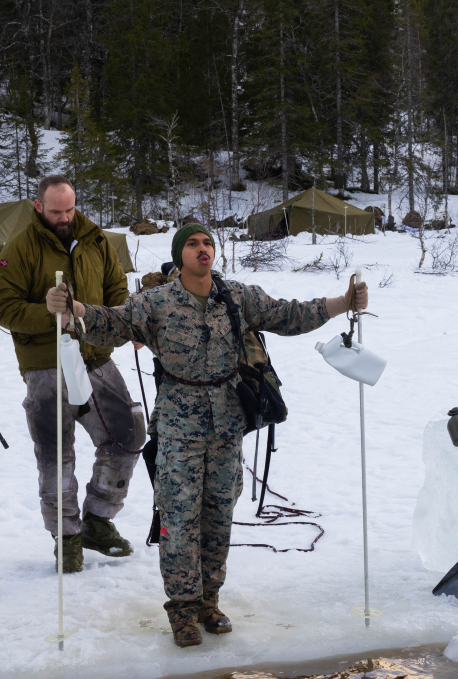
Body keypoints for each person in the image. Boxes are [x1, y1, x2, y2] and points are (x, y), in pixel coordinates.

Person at [45, 223, 368, 646]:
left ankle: (209, 603)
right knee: (178, 520)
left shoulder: (236, 296)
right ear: (179, 255)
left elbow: (287, 314)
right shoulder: (156, 302)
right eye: (193, 244)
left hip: (227, 425)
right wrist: (75, 309)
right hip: (179, 427)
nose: (203, 249)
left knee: (218, 519)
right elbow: (115, 322)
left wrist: (343, 302)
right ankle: (182, 611)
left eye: (208, 243)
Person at [0, 174, 136, 573]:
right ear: (38, 206)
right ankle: (67, 536)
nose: (64, 217)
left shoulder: (96, 240)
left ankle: (98, 520)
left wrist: (124, 323)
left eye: (70, 209)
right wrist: (47, 312)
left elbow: (117, 290)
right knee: (56, 455)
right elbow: (3, 308)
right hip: (46, 363)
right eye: (56, 211)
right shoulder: (20, 247)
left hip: (96, 358)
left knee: (126, 437)